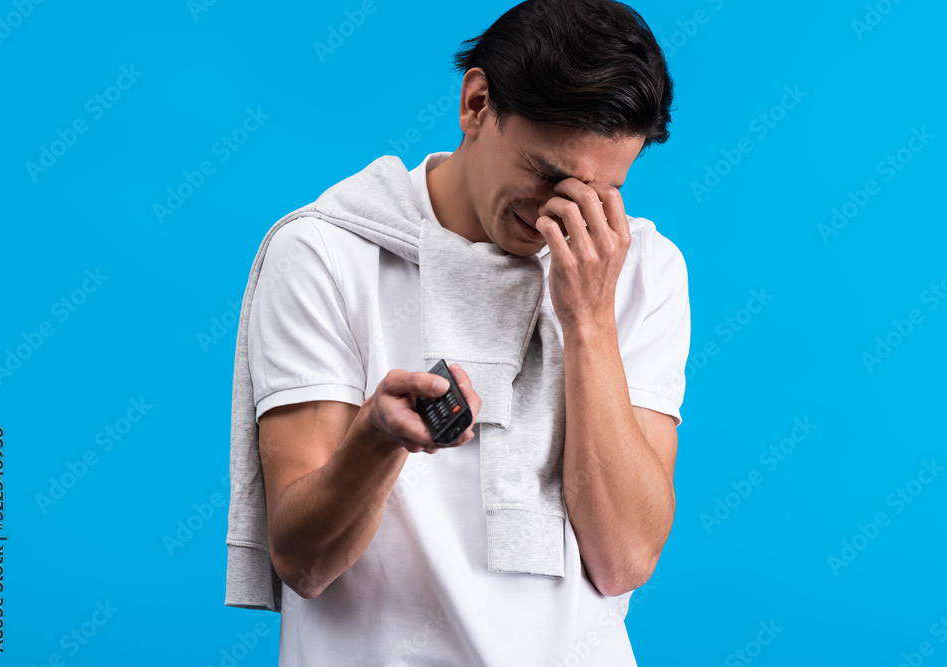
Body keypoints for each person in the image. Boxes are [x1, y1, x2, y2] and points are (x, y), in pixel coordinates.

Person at [237, 0, 688, 663]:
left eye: (603, 190)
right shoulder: (325, 253)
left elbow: (624, 558)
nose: (561, 214)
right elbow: (303, 563)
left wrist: (587, 321)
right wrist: (374, 440)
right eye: (547, 173)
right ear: (476, 103)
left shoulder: (640, 268)